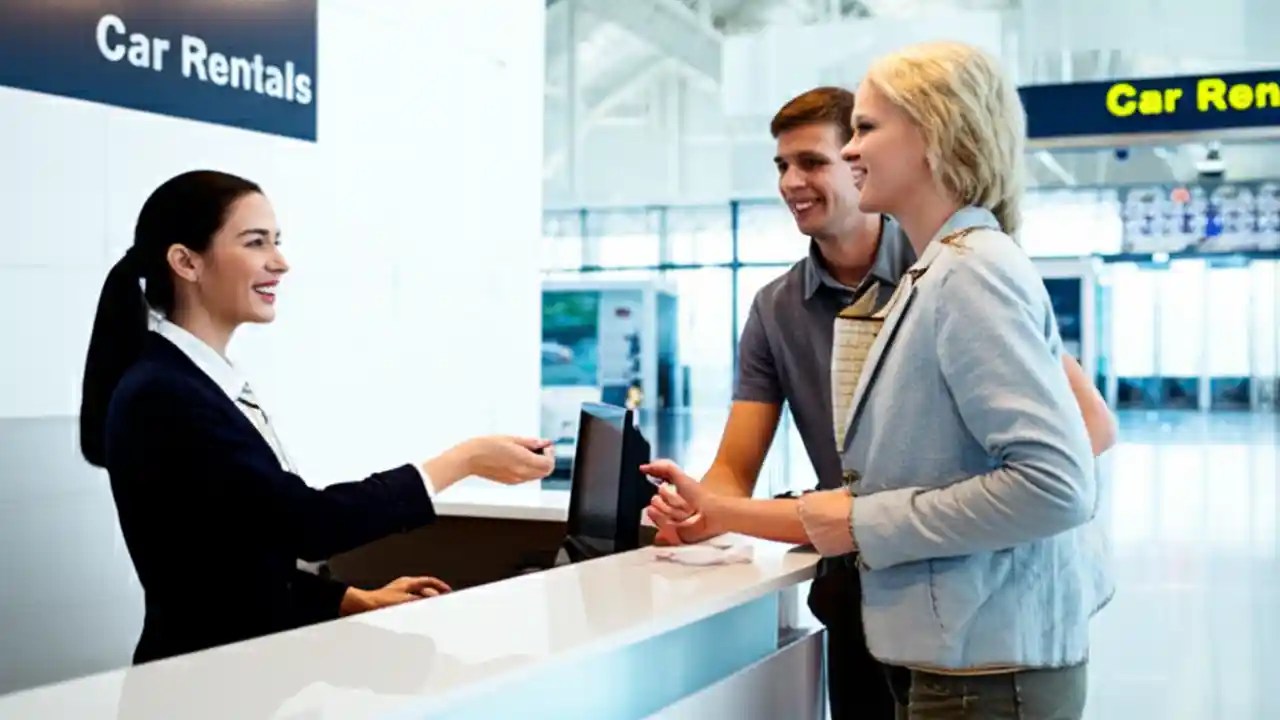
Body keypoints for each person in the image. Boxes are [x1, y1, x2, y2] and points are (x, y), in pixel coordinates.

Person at [642, 87, 1116, 719]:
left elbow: (1089, 429)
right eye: (781, 166)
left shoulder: (955, 270)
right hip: (858, 586)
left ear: (861, 163)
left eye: (812, 162)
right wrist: (701, 512)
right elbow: (735, 464)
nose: (790, 182)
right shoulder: (776, 309)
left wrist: (932, 509)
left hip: (964, 592)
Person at [79, 170, 555, 665]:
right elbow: (305, 524)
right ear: (186, 261)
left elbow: (235, 556)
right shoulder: (164, 393)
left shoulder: (192, 381)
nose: (280, 262)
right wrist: (465, 460)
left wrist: (352, 600)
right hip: (202, 682)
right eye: (255, 242)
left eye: (277, 242)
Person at [791, 41, 1112, 718]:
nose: (851, 150)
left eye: (867, 128)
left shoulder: (972, 273)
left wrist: (861, 521)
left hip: (989, 676)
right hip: (970, 660)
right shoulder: (946, 267)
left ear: (936, 135)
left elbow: (1054, 485)